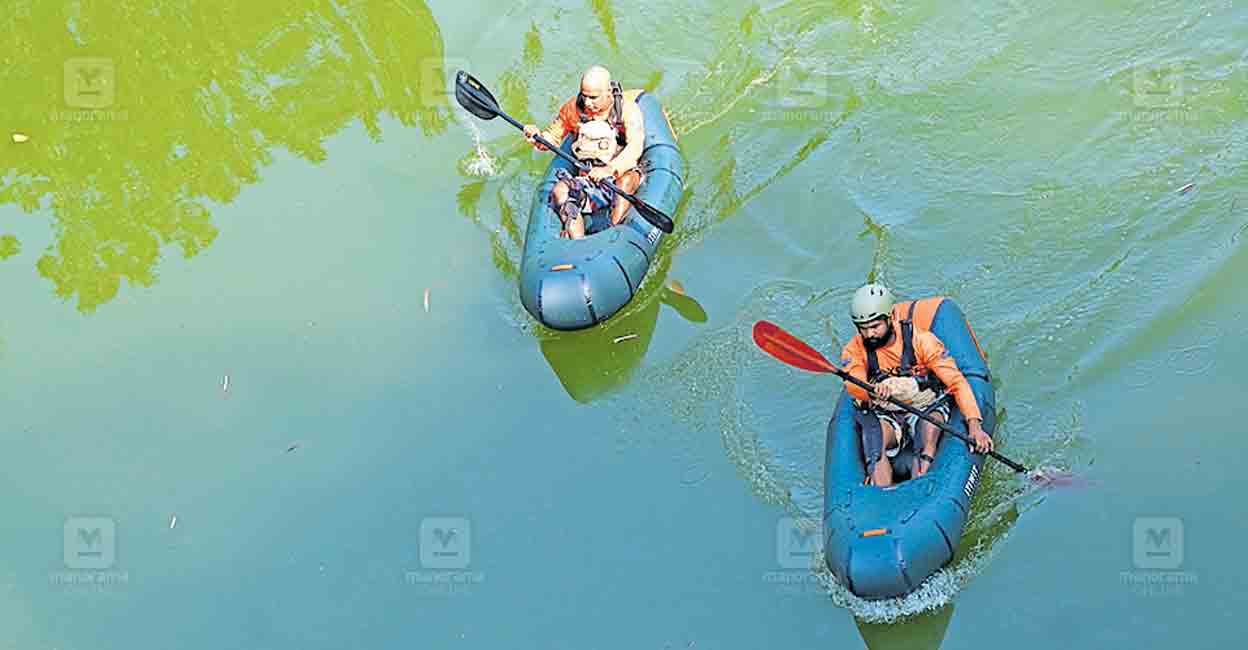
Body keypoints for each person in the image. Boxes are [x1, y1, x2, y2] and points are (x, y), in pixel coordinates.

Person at [839, 283, 993, 487]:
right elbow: (854, 385)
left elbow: (956, 382)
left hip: (926, 404)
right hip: (888, 411)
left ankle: (919, 488)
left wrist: (975, 426)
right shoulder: (854, 350)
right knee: (874, 440)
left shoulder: (922, 341)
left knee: (928, 431)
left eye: (875, 326)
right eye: (863, 329)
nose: (869, 335)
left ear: (890, 318)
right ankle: (881, 497)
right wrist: (871, 390)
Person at [522, 65, 645, 239]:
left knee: (624, 182)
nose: (587, 103)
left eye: (594, 98)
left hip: (621, 174)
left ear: (608, 92)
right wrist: (537, 137)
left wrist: (610, 169)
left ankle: (613, 232)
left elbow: (635, 146)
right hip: (589, 177)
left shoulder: (627, 110)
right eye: (584, 96)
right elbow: (551, 139)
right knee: (560, 190)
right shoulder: (572, 109)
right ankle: (576, 242)